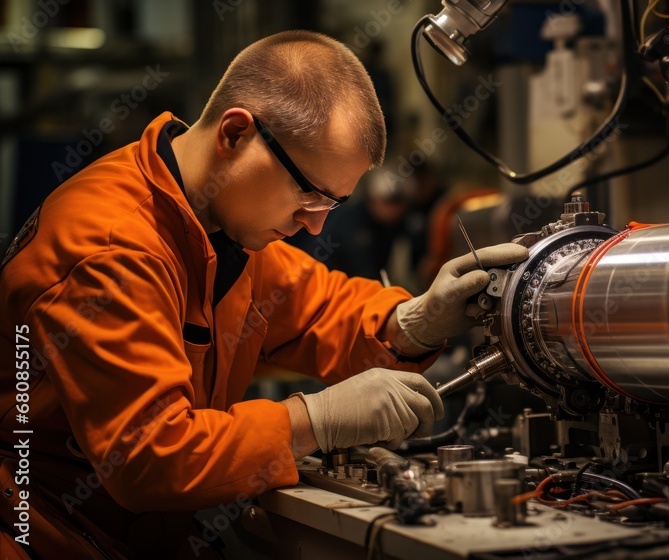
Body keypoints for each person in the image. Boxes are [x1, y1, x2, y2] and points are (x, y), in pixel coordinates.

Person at [0, 30, 526, 558]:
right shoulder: (112, 248)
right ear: (235, 133)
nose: (315, 227)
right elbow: (150, 459)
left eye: (333, 204)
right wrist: (313, 421)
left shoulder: (217, 227)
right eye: (308, 194)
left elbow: (318, 308)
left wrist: (413, 321)